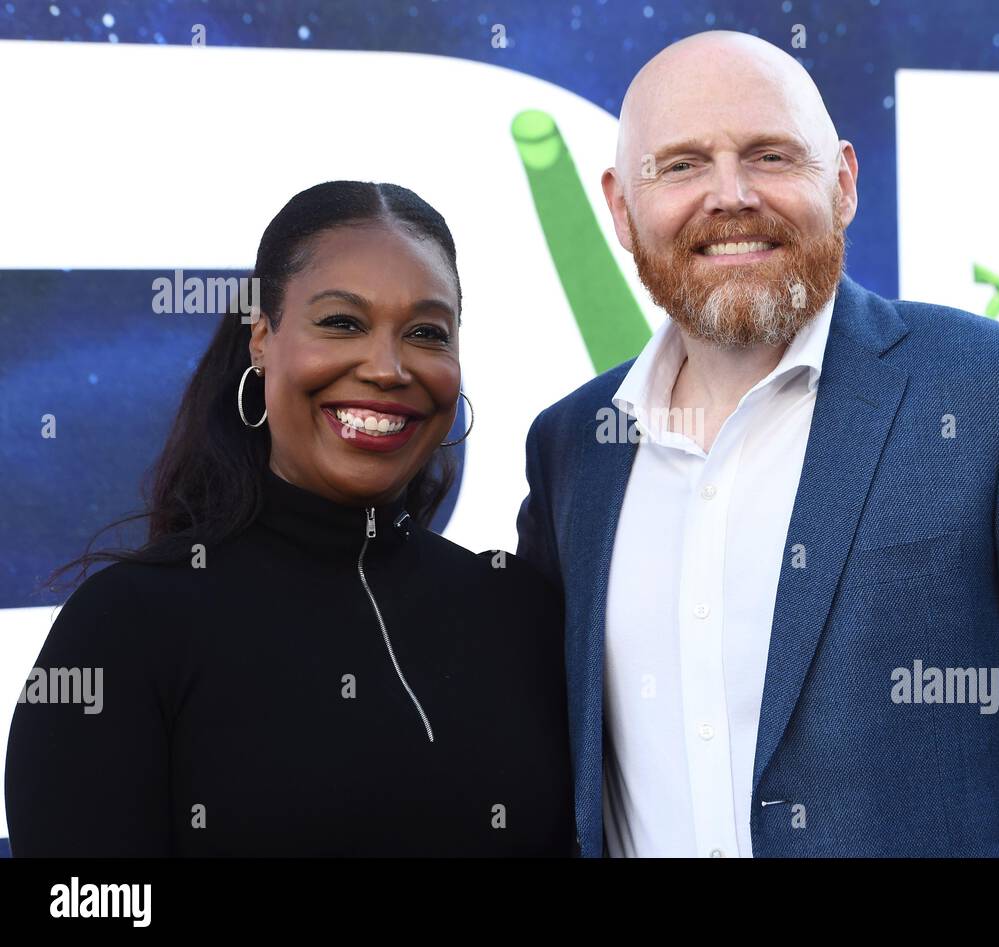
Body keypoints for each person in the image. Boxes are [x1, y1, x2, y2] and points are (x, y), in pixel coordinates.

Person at [516, 32, 999, 858]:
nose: (730, 195)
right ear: (622, 209)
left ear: (842, 183)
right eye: (683, 164)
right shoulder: (572, 446)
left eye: (770, 155)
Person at [6, 181, 574, 856]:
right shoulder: (125, 627)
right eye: (342, 323)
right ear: (262, 341)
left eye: (426, 332)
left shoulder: (523, 612)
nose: (388, 368)